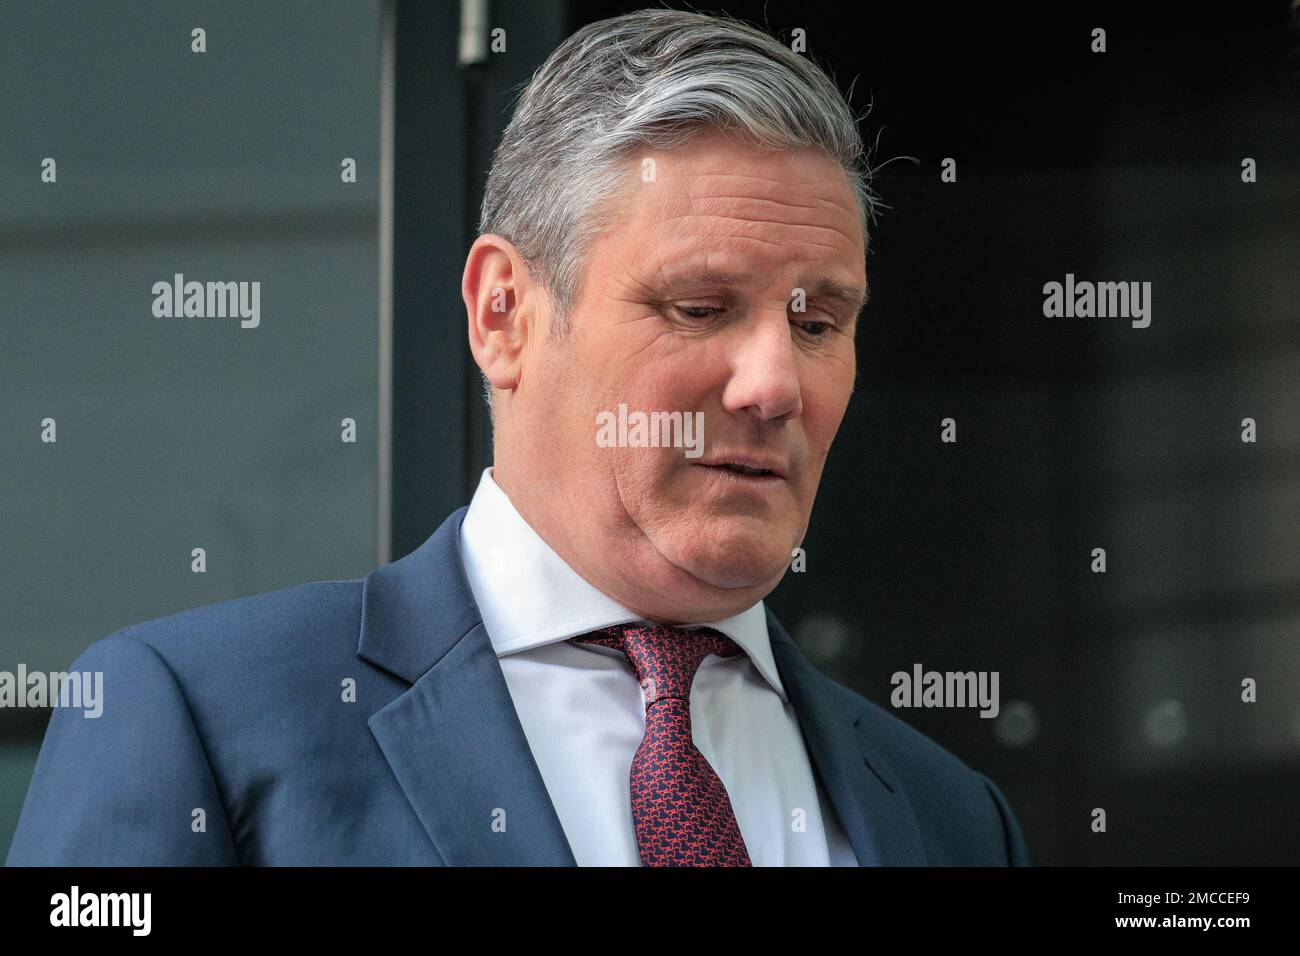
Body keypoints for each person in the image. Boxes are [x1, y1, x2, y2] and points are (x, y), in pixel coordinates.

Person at [7, 8, 1029, 867]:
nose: (773, 384)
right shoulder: (197, 720)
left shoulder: (953, 820)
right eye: (700, 306)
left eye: (817, 324)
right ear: (504, 313)